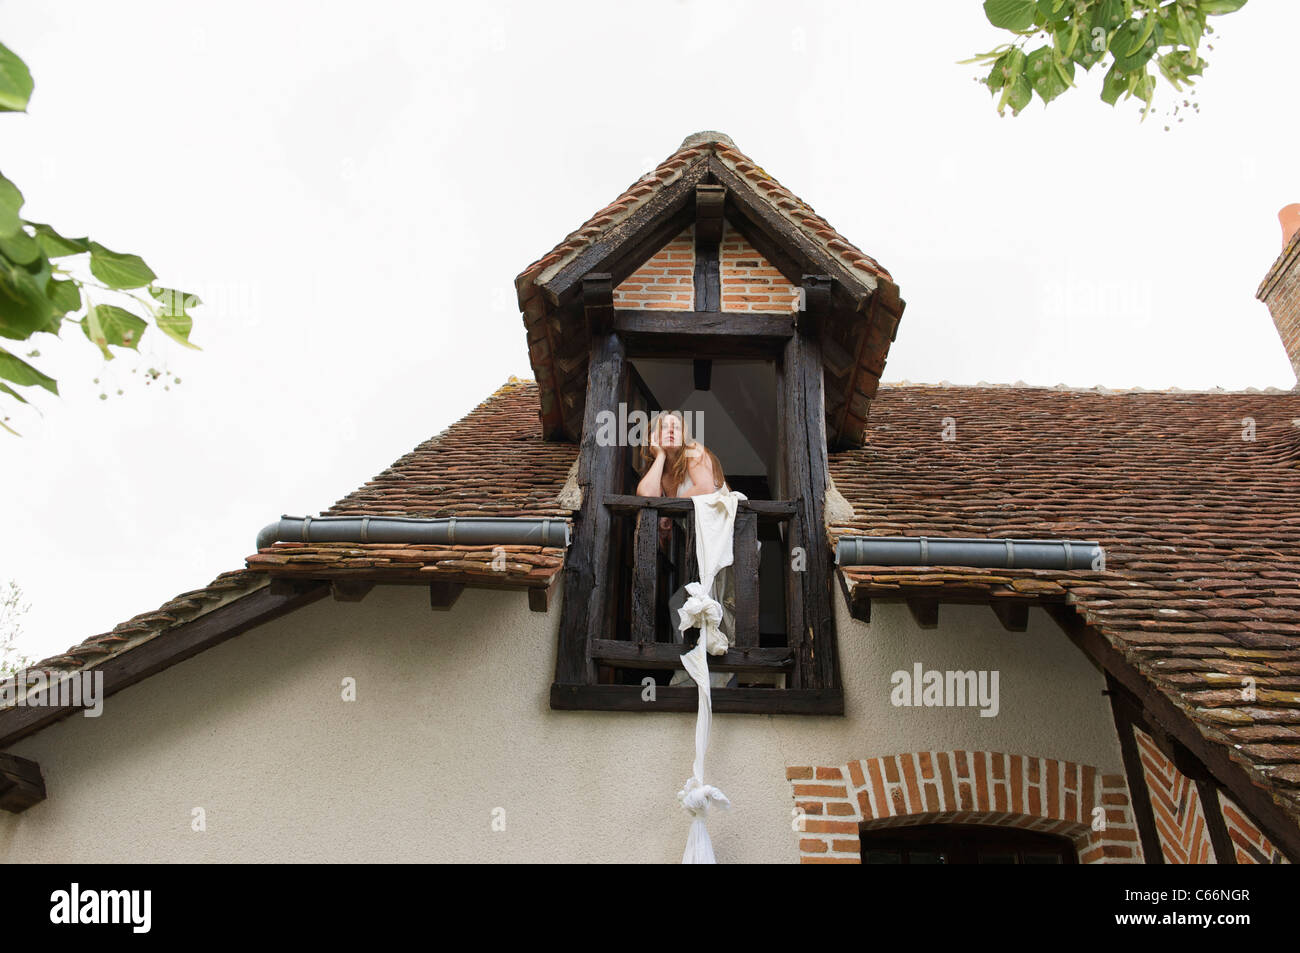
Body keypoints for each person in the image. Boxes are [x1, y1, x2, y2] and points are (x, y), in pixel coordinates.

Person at [635, 410, 736, 688]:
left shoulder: (693, 451)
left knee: (720, 610)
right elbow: (647, 495)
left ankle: (719, 678)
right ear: (653, 437)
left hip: (723, 539)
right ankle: (695, 671)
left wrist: (669, 510)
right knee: (681, 605)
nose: (670, 430)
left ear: (685, 434)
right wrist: (660, 457)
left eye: (676, 426)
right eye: (663, 427)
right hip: (703, 548)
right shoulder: (663, 469)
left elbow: (704, 487)